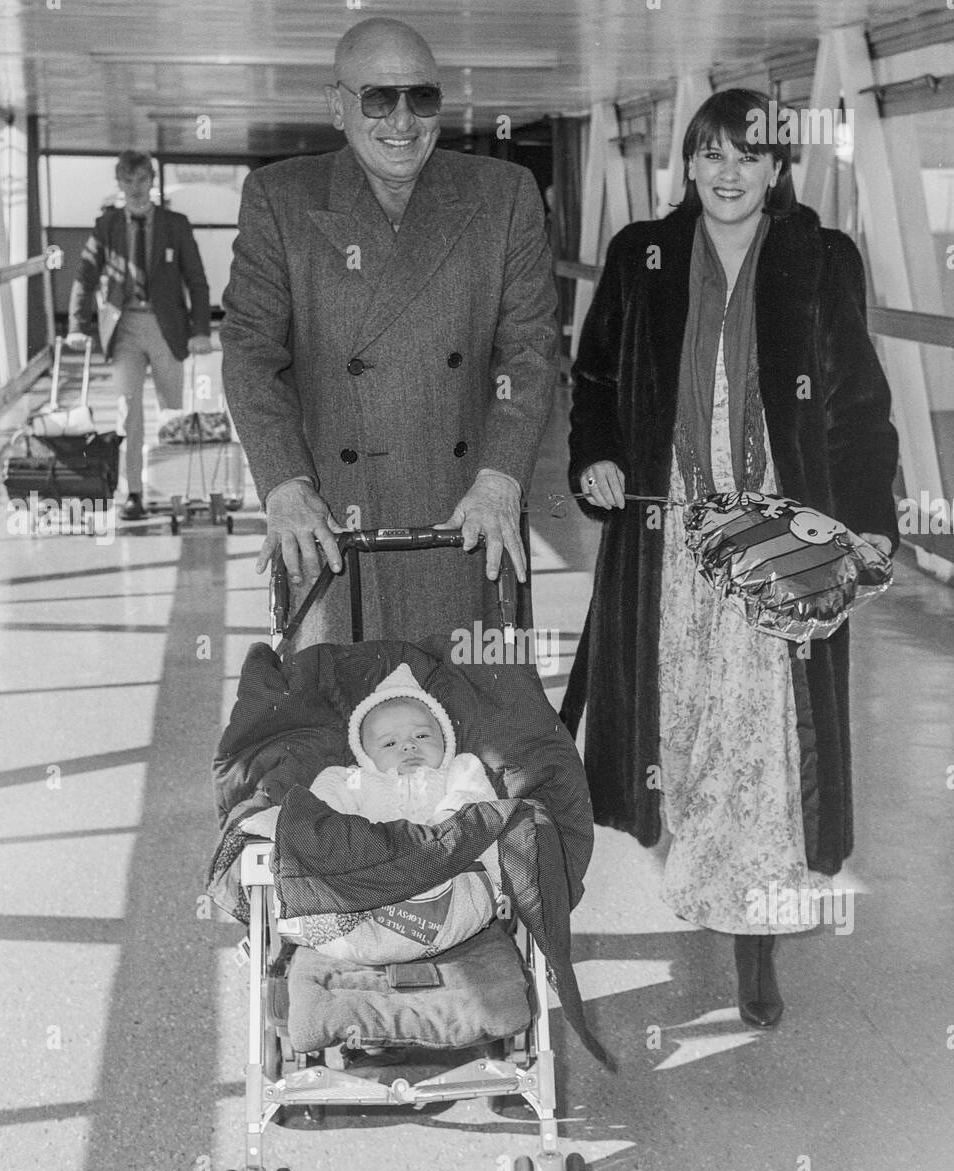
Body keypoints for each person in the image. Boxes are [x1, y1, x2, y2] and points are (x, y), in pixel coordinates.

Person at [561, 89, 899, 1028]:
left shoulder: (821, 261)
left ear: (778, 166)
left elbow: (858, 402)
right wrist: (595, 452)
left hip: (782, 541)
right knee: (683, 733)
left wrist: (871, 518)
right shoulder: (644, 256)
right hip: (668, 535)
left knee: (769, 747)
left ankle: (756, 947)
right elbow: (591, 377)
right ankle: (696, 888)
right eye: (711, 153)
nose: (729, 173)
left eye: (749, 156)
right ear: (690, 163)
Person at [220, 16, 557, 641]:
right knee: (334, 717)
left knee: (468, 720)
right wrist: (285, 485)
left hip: (466, 515)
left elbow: (529, 352)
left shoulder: (504, 193)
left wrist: (501, 476)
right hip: (329, 518)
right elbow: (249, 353)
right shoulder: (281, 197)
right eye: (378, 98)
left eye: (421, 98)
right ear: (337, 106)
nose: (402, 122)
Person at [240, 663, 504, 966]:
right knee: (313, 837)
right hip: (359, 903)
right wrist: (284, 825)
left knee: (483, 832)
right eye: (390, 743)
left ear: (446, 739)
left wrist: (442, 828)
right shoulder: (350, 780)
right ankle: (279, 925)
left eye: (422, 736)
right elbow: (318, 814)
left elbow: (473, 800)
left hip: (448, 894)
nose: (408, 746)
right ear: (365, 753)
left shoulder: (461, 767)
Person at [66, 150, 213, 520]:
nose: (135, 188)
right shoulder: (106, 226)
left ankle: (174, 491)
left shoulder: (175, 224)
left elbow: (196, 279)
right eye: (128, 181)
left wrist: (200, 330)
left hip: (167, 327)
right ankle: (133, 493)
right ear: (119, 183)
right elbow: (85, 276)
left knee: (171, 411)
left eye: (142, 180)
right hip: (124, 327)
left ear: (152, 182)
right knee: (128, 410)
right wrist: (76, 327)